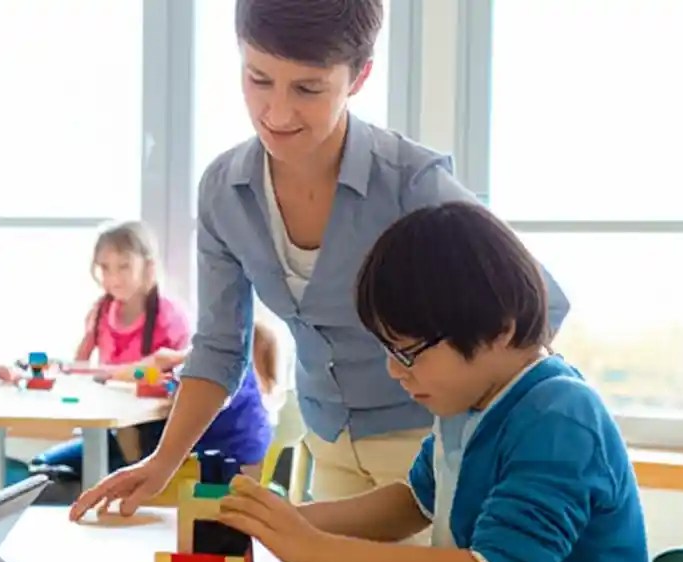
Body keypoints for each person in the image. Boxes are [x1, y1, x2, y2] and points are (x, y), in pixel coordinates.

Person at [69, 0, 570, 520]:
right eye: (259, 79)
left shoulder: (410, 184)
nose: (277, 113)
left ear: (359, 77)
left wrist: (474, 431)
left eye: (308, 89)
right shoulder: (224, 191)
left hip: (430, 445)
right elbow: (219, 349)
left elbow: (539, 307)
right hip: (328, 444)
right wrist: (163, 462)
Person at [216, 203, 652, 562]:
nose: (394, 371)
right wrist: (291, 522)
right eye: (388, 350)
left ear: (500, 327)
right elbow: (414, 500)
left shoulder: (559, 418)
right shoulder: (470, 401)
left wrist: (316, 550)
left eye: (408, 352)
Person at [29, 221, 274, 478]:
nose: (113, 278)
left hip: (159, 434)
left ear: (147, 266)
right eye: (104, 267)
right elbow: (80, 367)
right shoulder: (101, 311)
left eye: (124, 266)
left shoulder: (171, 317)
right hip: (119, 429)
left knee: (108, 471)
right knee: (44, 467)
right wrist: (61, 371)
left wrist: (138, 372)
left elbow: (181, 380)